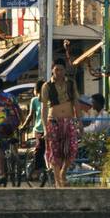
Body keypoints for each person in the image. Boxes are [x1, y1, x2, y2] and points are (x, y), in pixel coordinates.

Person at [41, 60, 80, 188]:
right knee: (55, 151)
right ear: (52, 70)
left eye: (61, 69)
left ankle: (63, 172)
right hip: (53, 121)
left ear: (65, 70)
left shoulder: (71, 83)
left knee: (72, 149)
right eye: (56, 69)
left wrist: (79, 122)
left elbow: (76, 103)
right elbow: (44, 108)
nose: (59, 72)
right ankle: (58, 180)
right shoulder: (47, 86)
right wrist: (45, 129)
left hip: (68, 120)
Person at [0, 76, 21, 186]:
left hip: (1, 126)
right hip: (14, 124)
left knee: (0, 149)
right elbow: (18, 110)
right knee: (13, 142)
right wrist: (22, 122)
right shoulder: (11, 96)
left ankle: (3, 175)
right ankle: (16, 157)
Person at [22, 78, 48, 186]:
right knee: (39, 150)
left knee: (47, 150)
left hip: (48, 128)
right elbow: (31, 115)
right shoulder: (35, 100)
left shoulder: (48, 100)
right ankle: (37, 170)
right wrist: (24, 126)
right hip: (39, 129)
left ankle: (45, 169)